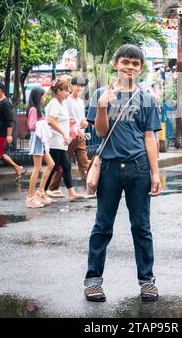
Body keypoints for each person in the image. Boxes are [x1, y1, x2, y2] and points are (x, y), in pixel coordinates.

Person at [84, 44, 162, 303]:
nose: (130, 66)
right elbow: (100, 133)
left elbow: (150, 137)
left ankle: (147, 281)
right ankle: (93, 281)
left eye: (135, 63)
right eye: (125, 61)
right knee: (102, 226)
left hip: (138, 168)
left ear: (140, 68)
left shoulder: (147, 98)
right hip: (108, 168)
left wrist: (155, 173)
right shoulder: (100, 94)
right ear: (115, 64)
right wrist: (104, 106)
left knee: (141, 227)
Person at [44, 80, 83, 201]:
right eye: (66, 90)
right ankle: (41, 192)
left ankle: (71, 193)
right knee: (53, 167)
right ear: (58, 91)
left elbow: (57, 119)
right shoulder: (55, 103)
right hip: (55, 141)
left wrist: (68, 121)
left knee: (65, 166)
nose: (68, 92)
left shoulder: (61, 103)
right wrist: (63, 133)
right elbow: (50, 121)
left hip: (60, 142)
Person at [26, 87, 55, 208]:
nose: (44, 98)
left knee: (51, 164)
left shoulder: (38, 110)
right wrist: (43, 124)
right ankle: (30, 197)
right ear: (38, 97)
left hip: (41, 142)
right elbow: (32, 126)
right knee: (37, 168)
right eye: (43, 96)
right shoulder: (33, 109)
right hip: (37, 141)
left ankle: (40, 191)